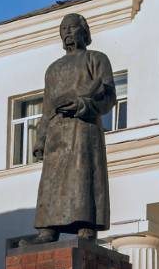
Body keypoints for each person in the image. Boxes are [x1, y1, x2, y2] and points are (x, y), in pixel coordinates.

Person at [29, 13, 116, 242]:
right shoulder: (53, 69)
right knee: (52, 180)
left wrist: (83, 104)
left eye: (72, 27)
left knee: (83, 175)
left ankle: (86, 225)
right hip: (57, 132)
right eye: (63, 29)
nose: (67, 32)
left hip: (83, 128)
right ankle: (48, 228)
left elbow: (108, 96)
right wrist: (41, 138)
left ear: (84, 32)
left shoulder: (96, 59)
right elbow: (48, 106)